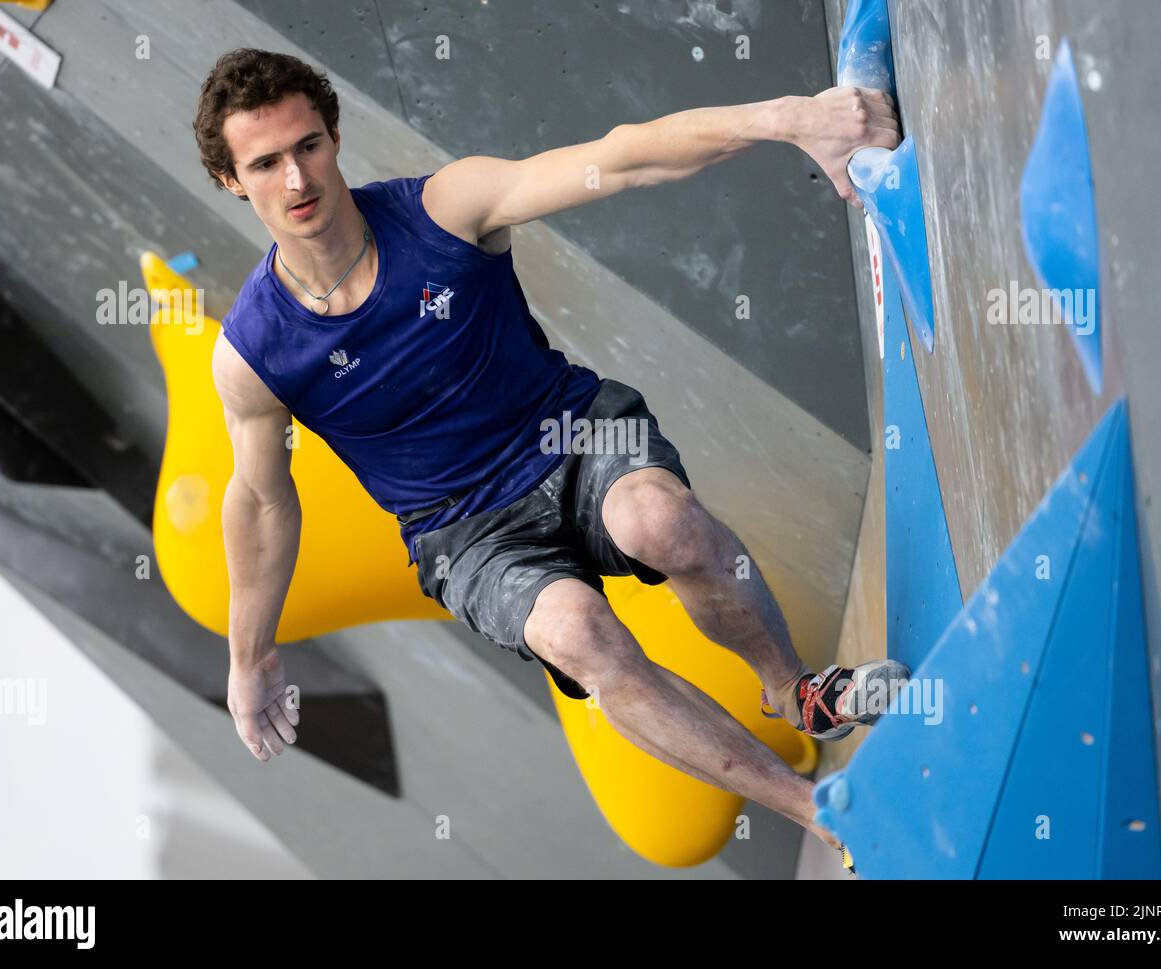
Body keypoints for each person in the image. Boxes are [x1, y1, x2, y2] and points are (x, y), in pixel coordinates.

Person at [195, 48, 907, 850]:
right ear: (230, 178)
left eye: (309, 146)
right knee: (576, 634)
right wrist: (248, 658)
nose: (297, 180)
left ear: (332, 137)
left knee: (661, 525)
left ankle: (797, 690)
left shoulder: (445, 209)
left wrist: (788, 120)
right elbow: (260, 502)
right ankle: (820, 809)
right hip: (461, 529)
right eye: (266, 163)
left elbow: (620, 158)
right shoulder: (255, 353)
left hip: (565, 430)